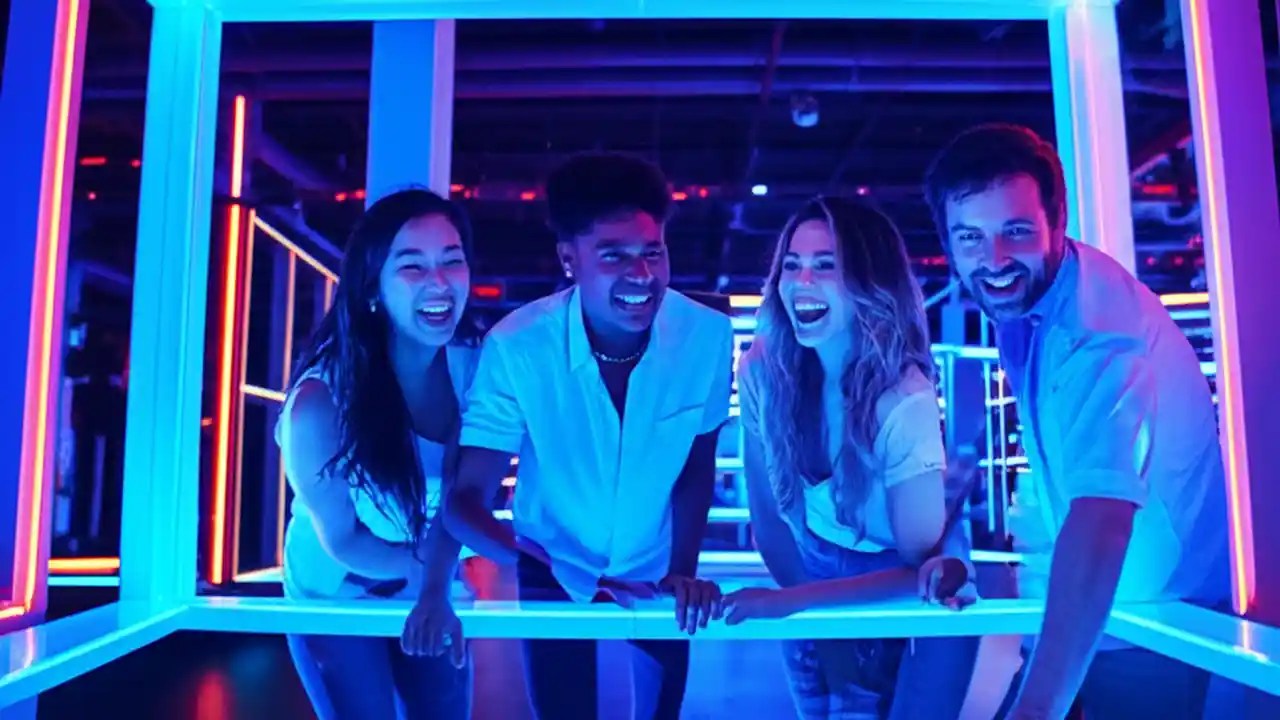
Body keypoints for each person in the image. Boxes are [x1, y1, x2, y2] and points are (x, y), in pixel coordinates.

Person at [923, 123, 1230, 719]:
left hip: (1147, 620)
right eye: (971, 238)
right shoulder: (1036, 303)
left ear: (1055, 220)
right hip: (1098, 610)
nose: (995, 261)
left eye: (1015, 231)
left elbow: (1101, 515)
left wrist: (1035, 708)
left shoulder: (1094, 332)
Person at [443, 152, 732, 720]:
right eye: (614, 256)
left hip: (659, 562)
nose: (642, 275)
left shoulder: (707, 335)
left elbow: (697, 466)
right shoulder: (518, 346)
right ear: (569, 260)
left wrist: (683, 571)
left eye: (653, 252)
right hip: (549, 560)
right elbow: (463, 502)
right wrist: (532, 558)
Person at [720, 196, 987, 719]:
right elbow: (771, 525)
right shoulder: (762, 374)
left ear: (871, 284)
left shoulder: (902, 398)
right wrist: (807, 609)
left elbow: (917, 569)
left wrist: (796, 605)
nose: (802, 282)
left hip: (901, 596)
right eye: (791, 265)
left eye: (827, 266)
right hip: (804, 578)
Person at [277, 188, 481, 720]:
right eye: (413, 266)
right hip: (336, 584)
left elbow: (469, 497)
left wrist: (439, 583)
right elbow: (344, 540)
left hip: (426, 570)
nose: (439, 283)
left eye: (452, 261)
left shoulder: (478, 370)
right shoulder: (320, 404)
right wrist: (437, 578)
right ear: (373, 288)